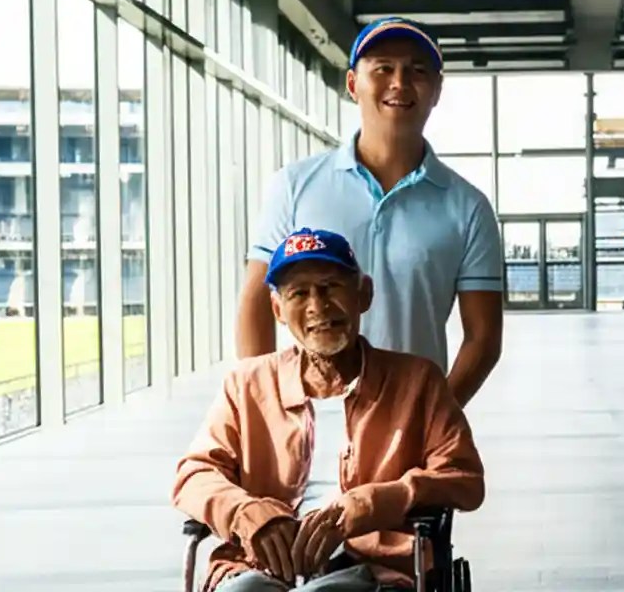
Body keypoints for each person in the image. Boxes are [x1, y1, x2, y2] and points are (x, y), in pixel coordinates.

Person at [173, 228, 484, 592]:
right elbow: (194, 475)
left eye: (331, 287)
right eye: (299, 293)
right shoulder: (247, 384)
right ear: (278, 309)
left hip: (373, 568)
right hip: (258, 564)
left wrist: (372, 503)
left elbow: (464, 480)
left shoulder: (417, 382)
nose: (317, 307)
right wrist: (244, 512)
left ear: (363, 294)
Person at [237, 16, 503, 408]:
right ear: (352, 84)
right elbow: (257, 300)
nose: (400, 82)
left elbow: (483, 339)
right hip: (309, 418)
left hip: (410, 424)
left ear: (437, 90)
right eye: (383, 68)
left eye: (417, 70)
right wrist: (266, 408)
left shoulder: (468, 208)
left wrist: (434, 416)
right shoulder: (294, 186)